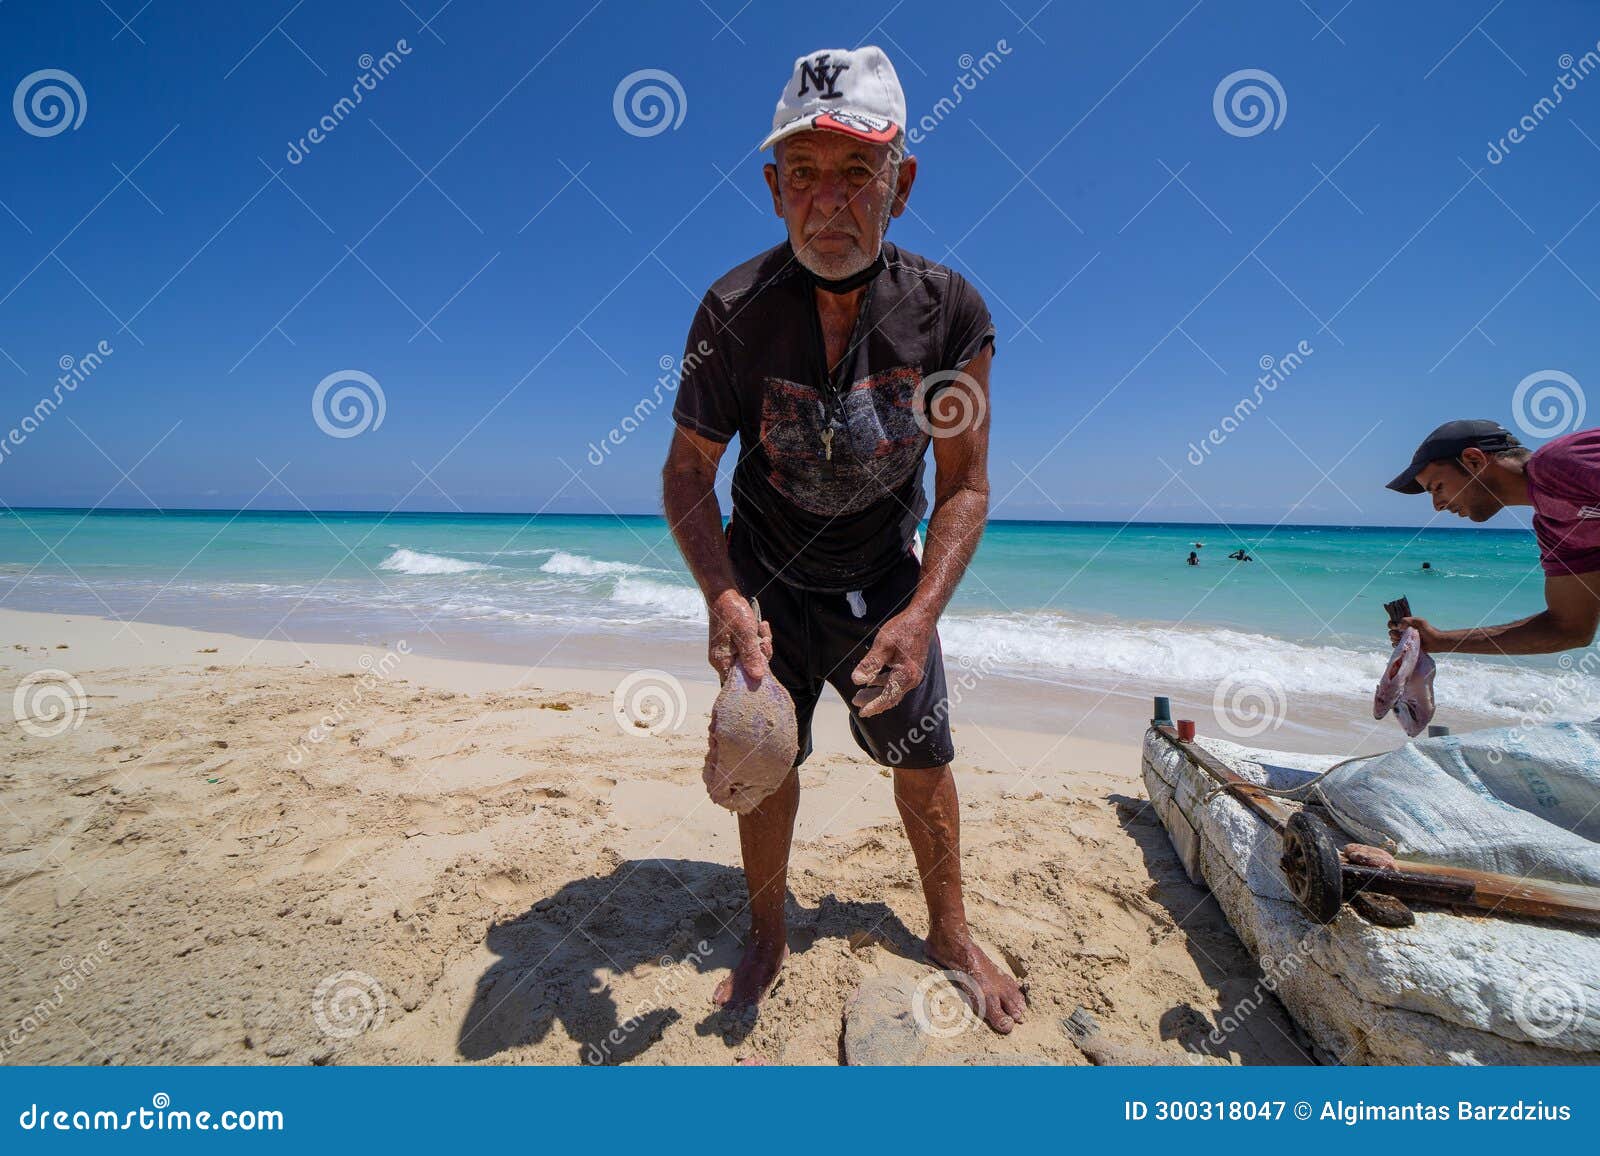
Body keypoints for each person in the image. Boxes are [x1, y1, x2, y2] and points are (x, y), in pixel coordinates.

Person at [661, 46, 1024, 1033]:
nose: (830, 202)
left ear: (899, 187)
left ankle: (948, 930)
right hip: (768, 586)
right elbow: (687, 473)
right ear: (774, 190)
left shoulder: (949, 315)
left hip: (881, 586)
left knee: (923, 758)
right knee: (765, 759)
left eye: (857, 173)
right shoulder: (732, 314)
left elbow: (965, 486)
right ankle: (768, 930)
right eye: (806, 176)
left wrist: (918, 616)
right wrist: (725, 599)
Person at [1385, 419, 1600, 653]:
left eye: (1437, 487)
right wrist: (1440, 640)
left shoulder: (1563, 461)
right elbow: (1568, 628)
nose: (1437, 505)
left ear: (1473, 461)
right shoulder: (1555, 529)